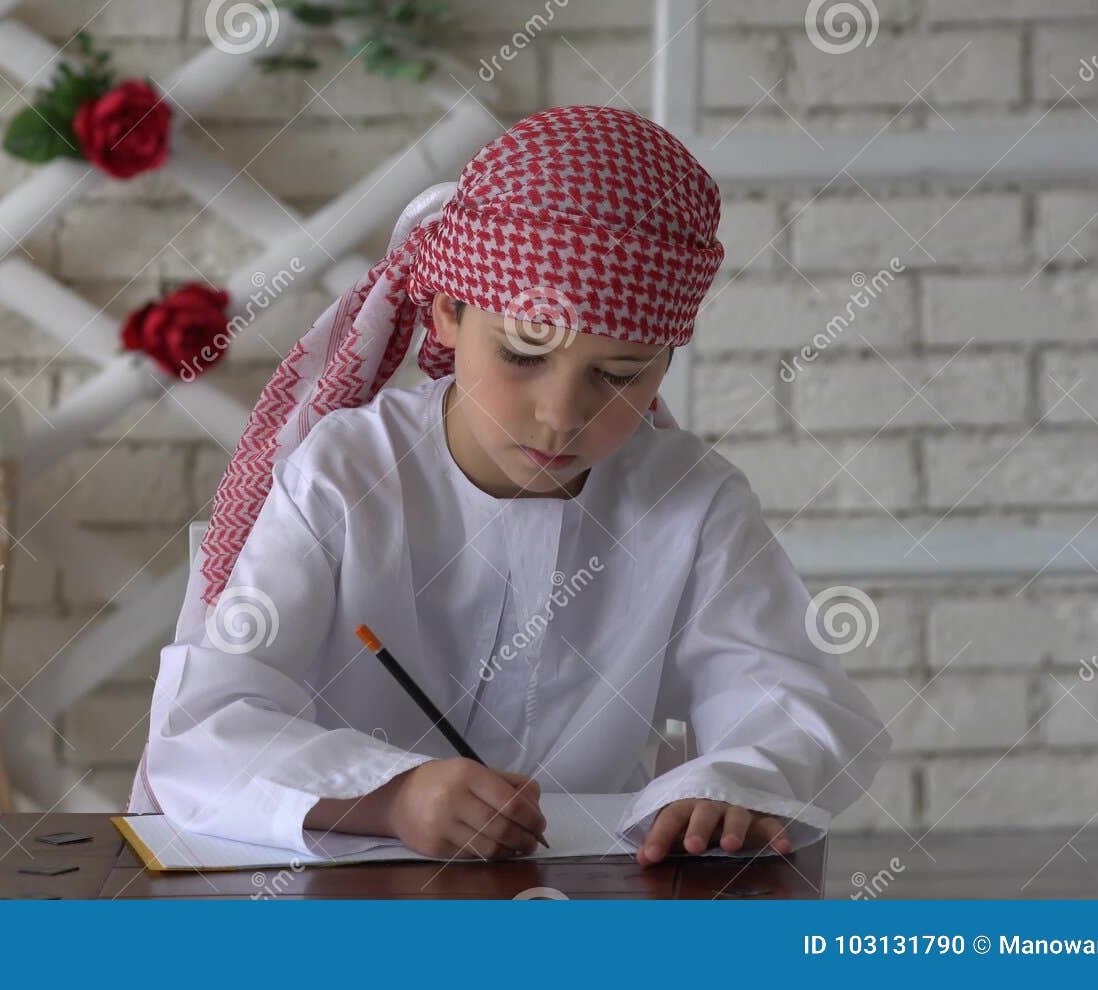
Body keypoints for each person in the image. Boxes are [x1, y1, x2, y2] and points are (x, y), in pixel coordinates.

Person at [128, 105, 891, 867]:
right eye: (524, 356)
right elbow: (206, 721)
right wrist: (391, 796)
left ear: (663, 363)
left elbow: (787, 697)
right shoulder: (347, 472)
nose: (561, 416)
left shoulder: (692, 501)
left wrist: (733, 783)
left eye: (617, 376)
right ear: (450, 313)